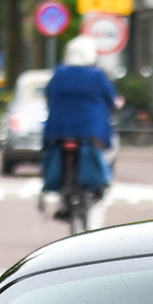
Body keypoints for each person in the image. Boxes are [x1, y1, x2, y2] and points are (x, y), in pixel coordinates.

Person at [40, 38, 120, 205]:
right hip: (90, 130)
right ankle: (99, 184)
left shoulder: (59, 73)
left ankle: (58, 191)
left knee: (54, 152)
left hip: (59, 129)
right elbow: (111, 99)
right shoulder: (97, 75)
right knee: (103, 151)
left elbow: (48, 95)